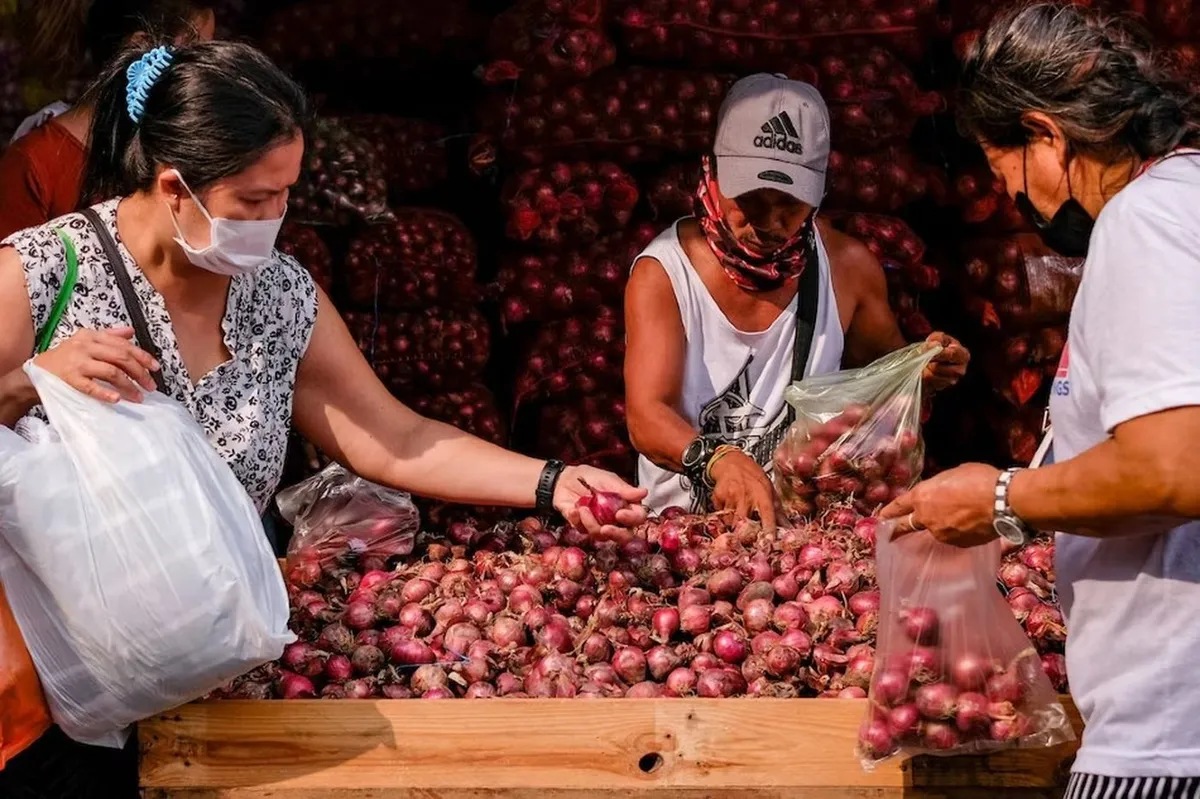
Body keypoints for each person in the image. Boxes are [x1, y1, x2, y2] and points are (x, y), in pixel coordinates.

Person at [0, 39, 647, 797]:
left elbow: (395, 437)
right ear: (175, 187)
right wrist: (28, 383)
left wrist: (552, 482)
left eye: (286, 194)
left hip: (211, 678)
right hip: (53, 704)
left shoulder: (276, 295)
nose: (274, 219)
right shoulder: (46, 274)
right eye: (253, 200)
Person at [880, 4, 1200, 797]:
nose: (1017, 200)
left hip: (1168, 739)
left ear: (1046, 134)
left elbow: (1174, 467)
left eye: (1008, 174)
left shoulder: (1146, 220)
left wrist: (1000, 498)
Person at [624, 74, 969, 528]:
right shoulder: (665, 274)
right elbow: (647, 416)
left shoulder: (847, 269)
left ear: (821, 192)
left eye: (789, 203)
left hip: (806, 541)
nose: (768, 221)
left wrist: (921, 371)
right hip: (683, 530)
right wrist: (716, 458)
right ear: (712, 171)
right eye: (750, 198)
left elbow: (883, 384)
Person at [0, 0, 217, 240]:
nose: (206, 70)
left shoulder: (191, 154)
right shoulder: (35, 164)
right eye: (196, 51)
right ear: (142, 44)